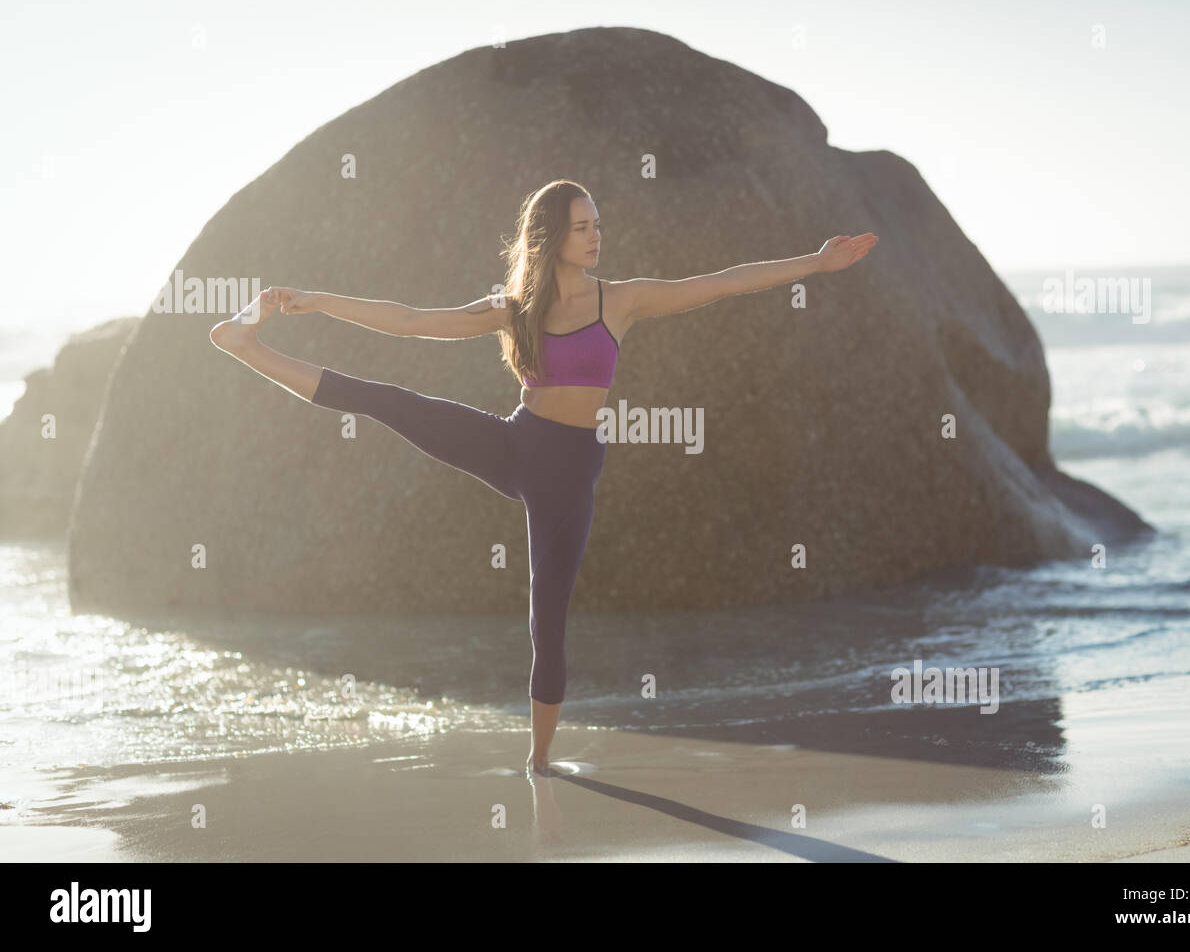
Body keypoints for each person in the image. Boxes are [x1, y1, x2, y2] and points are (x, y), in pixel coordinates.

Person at [209, 178, 878, 776]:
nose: (596, 236)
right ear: (554, 236)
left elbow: (722, 281)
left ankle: (538, 760)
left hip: (569, 469)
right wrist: (317, 300)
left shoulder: (622, 301)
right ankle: (248, 346)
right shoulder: (515, 306)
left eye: (597, 225)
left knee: (546, 617)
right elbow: (412, 321)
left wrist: (816, 263)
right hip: (516, 444)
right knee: (388, 401)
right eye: (583, 226)